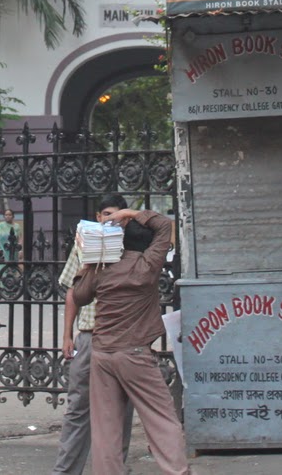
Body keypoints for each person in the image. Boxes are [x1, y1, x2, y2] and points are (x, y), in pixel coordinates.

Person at [70, 201, 190, 475]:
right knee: (161, 419)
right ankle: (177, 472)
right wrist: (132, 213)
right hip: (134, 354)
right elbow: (164, 226)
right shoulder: (148, 264)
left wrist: (88, 258)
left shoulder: (102, 268)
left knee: (105, 427)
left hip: (102, 354)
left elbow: (79, 296)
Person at [52, 195, 133, 475]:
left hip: (121, 339)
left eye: (115, 215)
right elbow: (73, 291)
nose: (108, 220)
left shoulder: (132, 247)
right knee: (78, 408)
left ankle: (115, 468)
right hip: (88, 335)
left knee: (120, 410)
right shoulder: (83, 243)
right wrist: (67, 335)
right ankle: (66, 470)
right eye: (104, 215)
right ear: (96, 217)